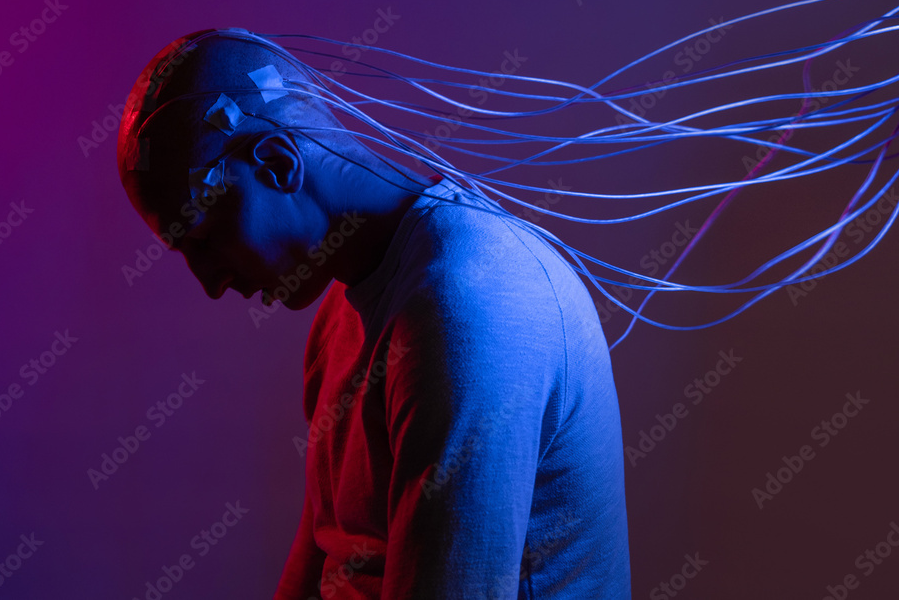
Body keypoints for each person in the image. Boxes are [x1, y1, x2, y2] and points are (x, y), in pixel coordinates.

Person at [117, 29, 631, 598]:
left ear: (278, 165)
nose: (211, 283)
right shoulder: (342, 306)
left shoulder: (468, 304)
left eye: (206, 239)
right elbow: (326, 546)